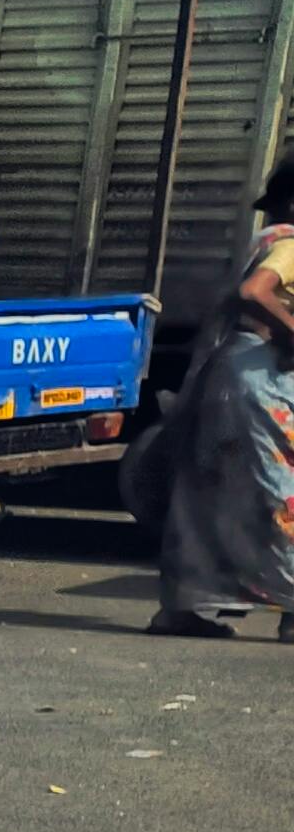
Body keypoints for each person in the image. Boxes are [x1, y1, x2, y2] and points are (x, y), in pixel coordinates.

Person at [145, 158, 294, 641]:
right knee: (280, 494)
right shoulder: (291, 245)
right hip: (256, 382)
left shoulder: (262, 242)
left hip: (227, 379)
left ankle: (182, 609)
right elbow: (256, 293)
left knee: (206, 495)